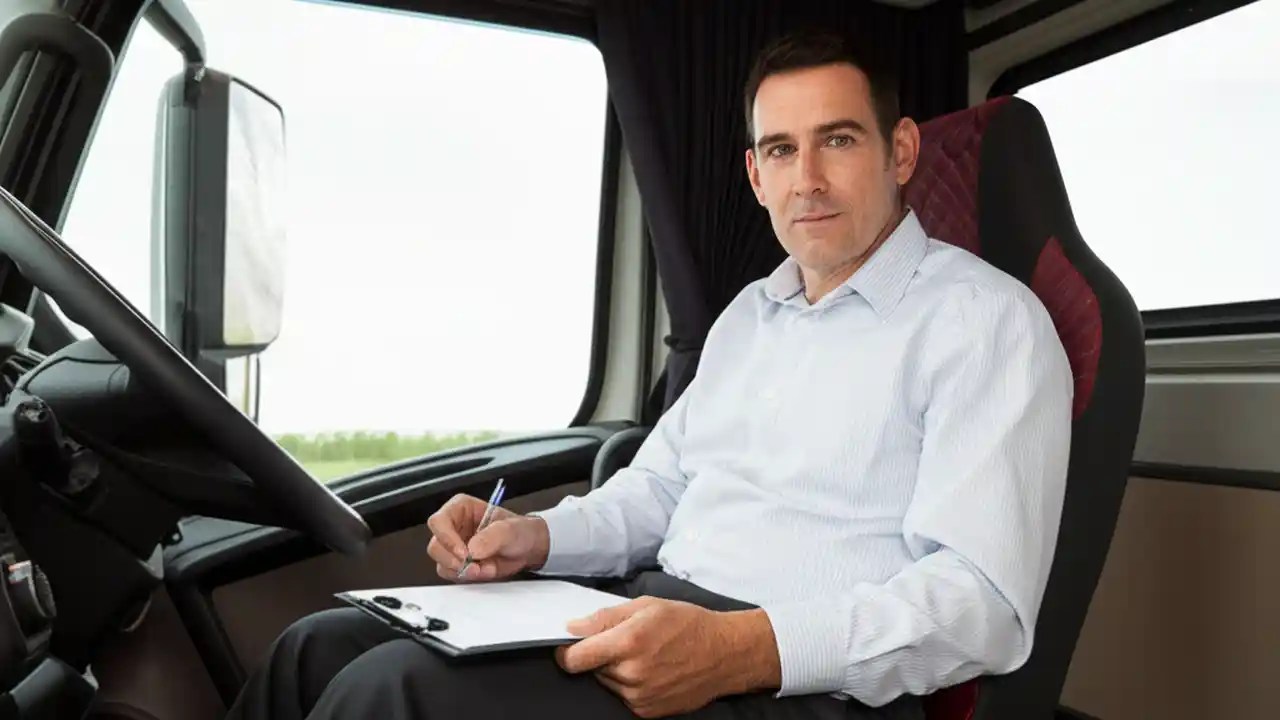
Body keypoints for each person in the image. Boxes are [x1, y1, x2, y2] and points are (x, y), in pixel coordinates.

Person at [226, 28, 1072, 720]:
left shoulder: (984, 323)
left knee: (390, 696)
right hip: (654, 611)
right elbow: (661, 488)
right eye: (780, 149)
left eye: (837, 141)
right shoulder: (752, 315)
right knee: (317, 646)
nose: (806, 180)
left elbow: (979, 603)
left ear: (900, 151)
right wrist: (539, 537)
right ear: (754, 174)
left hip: (800, 685)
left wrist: (741, 650)